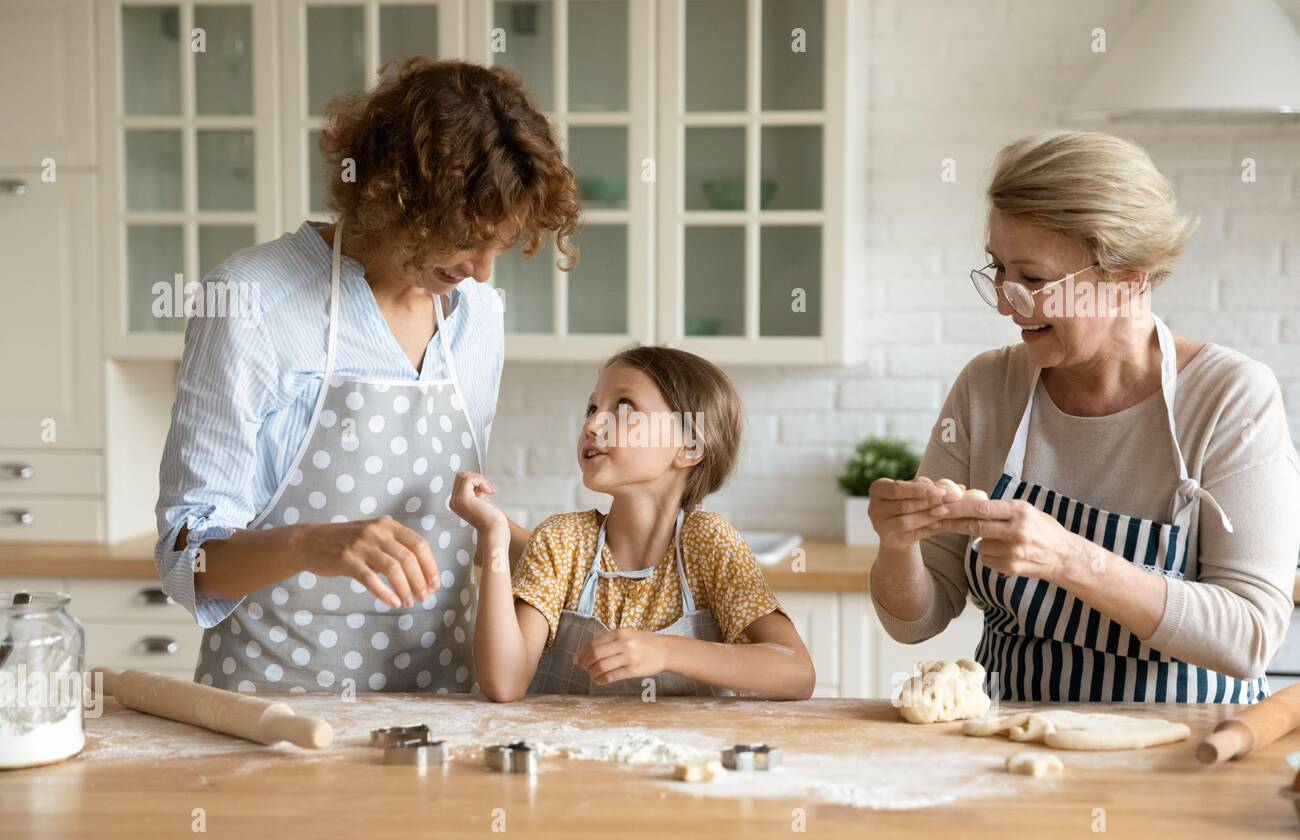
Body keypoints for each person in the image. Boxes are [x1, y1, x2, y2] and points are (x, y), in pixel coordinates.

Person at [154, 58, 580, 692]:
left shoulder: (478, 314)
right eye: (467, 239)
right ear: (393, 197)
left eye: (501, 244)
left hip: (445, 707)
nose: (486, 271)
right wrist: (307, 544)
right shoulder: (252, 302)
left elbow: (460, 518)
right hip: (281, 715)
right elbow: (185, 562)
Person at [867, 131, 1300, 704]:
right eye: (998, 268)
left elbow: (1250, 636)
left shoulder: (1229, 397)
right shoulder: (987, 388)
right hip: (1009, 745)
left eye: (1035, 279)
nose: (1005, 301)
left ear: (1128, 280)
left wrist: (1071, 558)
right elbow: (915, 621)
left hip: (1183, 757)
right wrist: (897, 544)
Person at [449, 347, 815, 701]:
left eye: (624, 409)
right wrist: (494, 536)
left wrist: (666, 652)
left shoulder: (709, 545)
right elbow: (504, 682)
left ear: (689, 446)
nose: (593, 424)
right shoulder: (561, 541)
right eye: (592, 408)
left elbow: (797, 673)